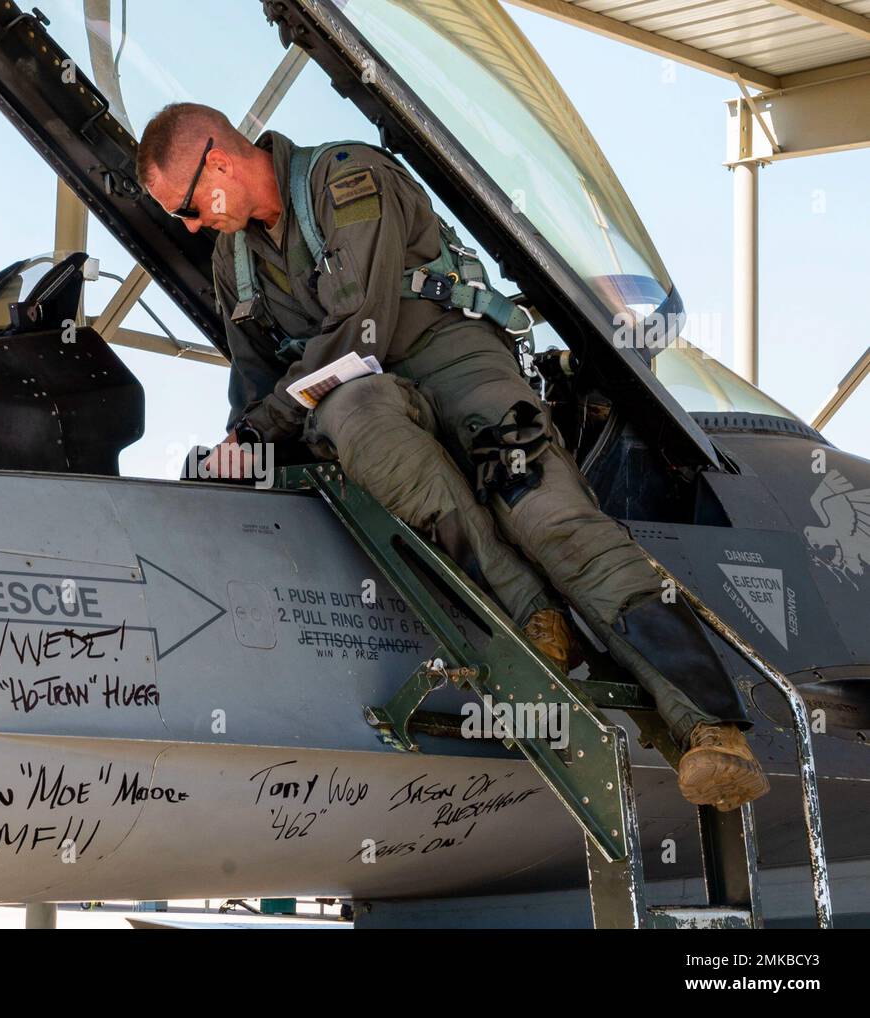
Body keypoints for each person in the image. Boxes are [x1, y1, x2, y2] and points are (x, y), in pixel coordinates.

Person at [136, 102, 768, 811]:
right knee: (354, 417)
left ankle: (711, 728)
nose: (191, 227)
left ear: (218, 161)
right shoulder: (236, 263)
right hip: (364, 396)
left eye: (189, 207)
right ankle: (532, 613)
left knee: (549, 517)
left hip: (455, 360)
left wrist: (264, 425)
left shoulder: (347, 180)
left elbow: (359, 335)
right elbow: (254, 383)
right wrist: (242, 451)